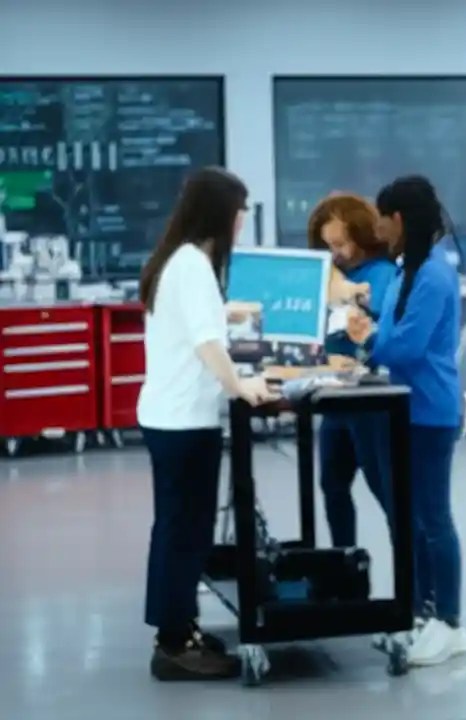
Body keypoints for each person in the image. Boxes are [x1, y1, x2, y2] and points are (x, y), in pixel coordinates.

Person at [135, 167, 278, 680]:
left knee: (181, 528)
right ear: (221, 212)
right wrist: (241, 386)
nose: (243, 220)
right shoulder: (192, 264)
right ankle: (174, 643)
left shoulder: (178, 260)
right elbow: (206, 344)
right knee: (182, 531)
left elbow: (202, 328)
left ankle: (181, 629)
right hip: (181, 422)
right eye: (240, 211)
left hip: (171, 415)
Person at [345, 175, 466, 667]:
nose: (376, 227)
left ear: (397, 219)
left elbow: (406, 345)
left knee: (433, 519)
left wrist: (367, 339)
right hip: (404, 406)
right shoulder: (406, 270)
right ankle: (420, 612)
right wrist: (370, 328)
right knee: (412, 518)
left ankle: (451, 623)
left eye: (381, 217)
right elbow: (391, 330)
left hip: (429, 412)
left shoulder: (434, 275)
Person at [307, 192, 398, 547]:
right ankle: (343, 566)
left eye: (342, 243)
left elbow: (374, 328)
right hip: (335, 395)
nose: (336, 253)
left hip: (370, 397)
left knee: (384, 488)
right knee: (332, 483)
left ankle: (413, 579)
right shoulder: (332, 275)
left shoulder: (381, 274)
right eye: (328, 245)